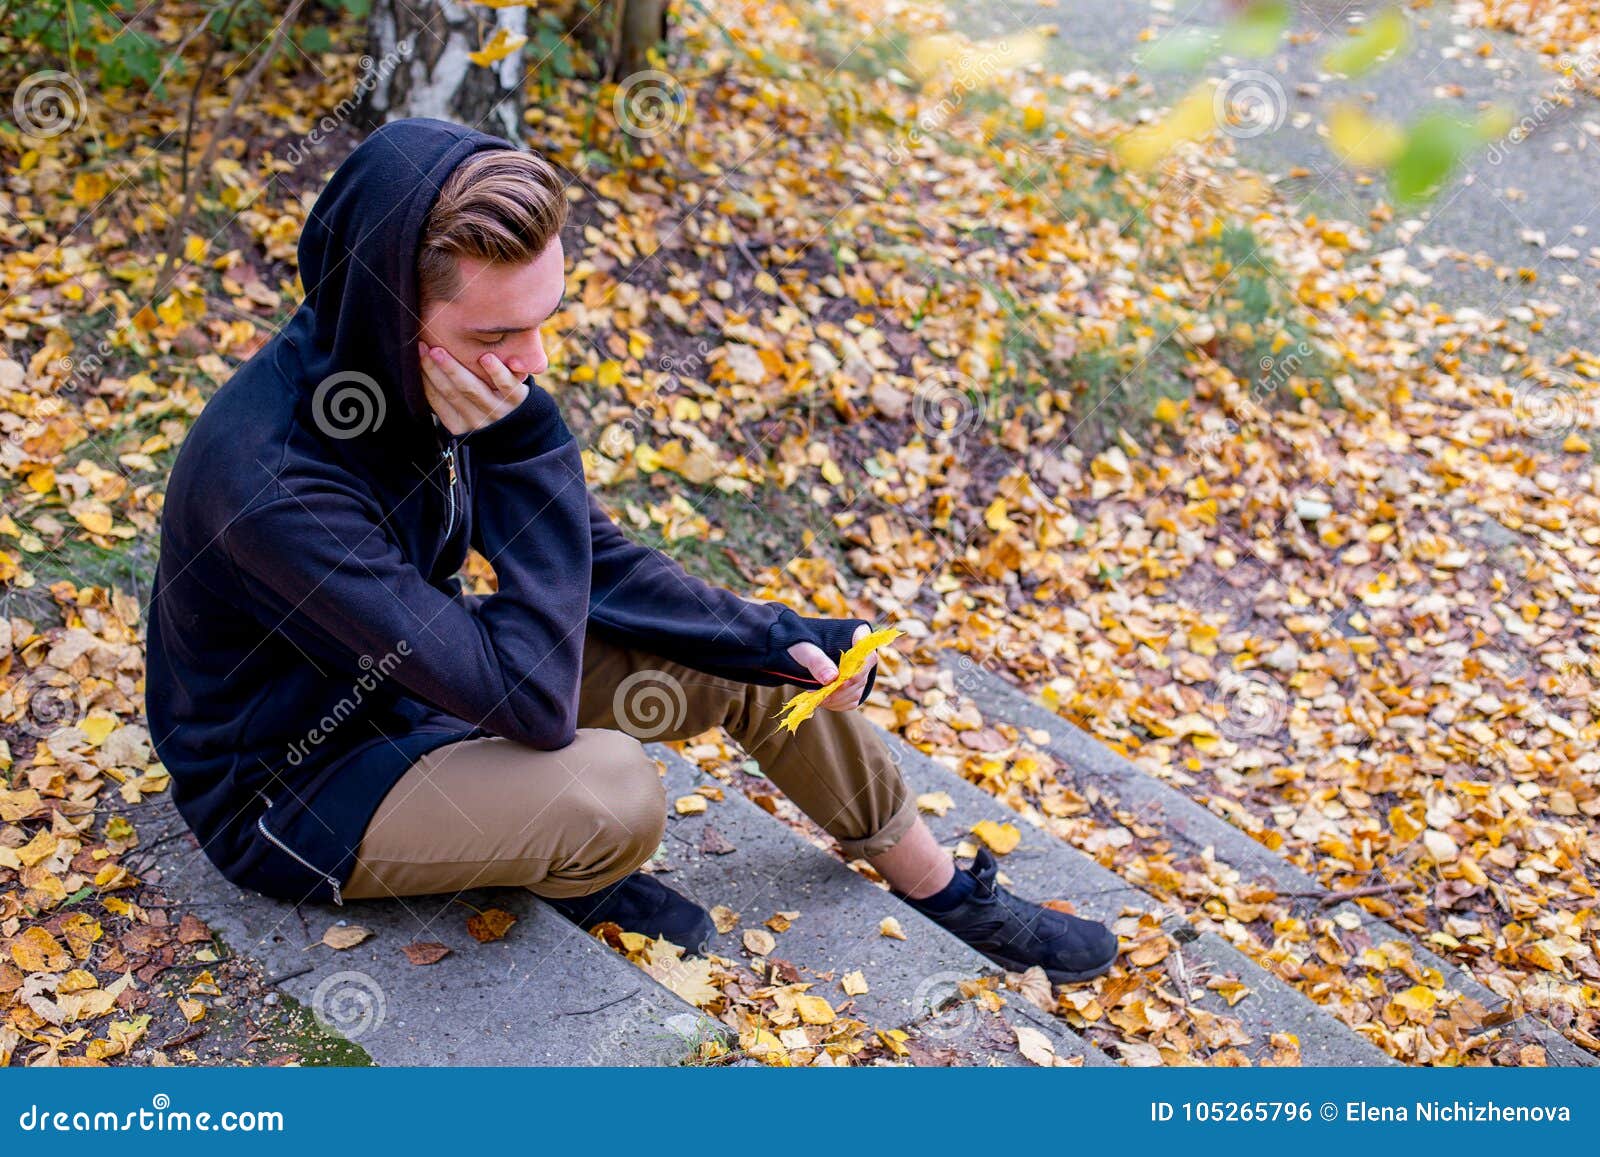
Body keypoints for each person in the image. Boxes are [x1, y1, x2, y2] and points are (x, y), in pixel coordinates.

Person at [145, 118, 1118, 985]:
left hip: (426, 683)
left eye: (540, 324)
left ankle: (942, 889)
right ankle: (554, 858)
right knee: (609, 792)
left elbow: (591, 563)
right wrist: (521, 445)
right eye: (499, 332)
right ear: (385, 308)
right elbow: (524, 699)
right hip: (302, 786)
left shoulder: (429, 377)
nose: (528, 364)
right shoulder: (274, 482)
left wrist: (777, 634)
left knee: (754, 661)